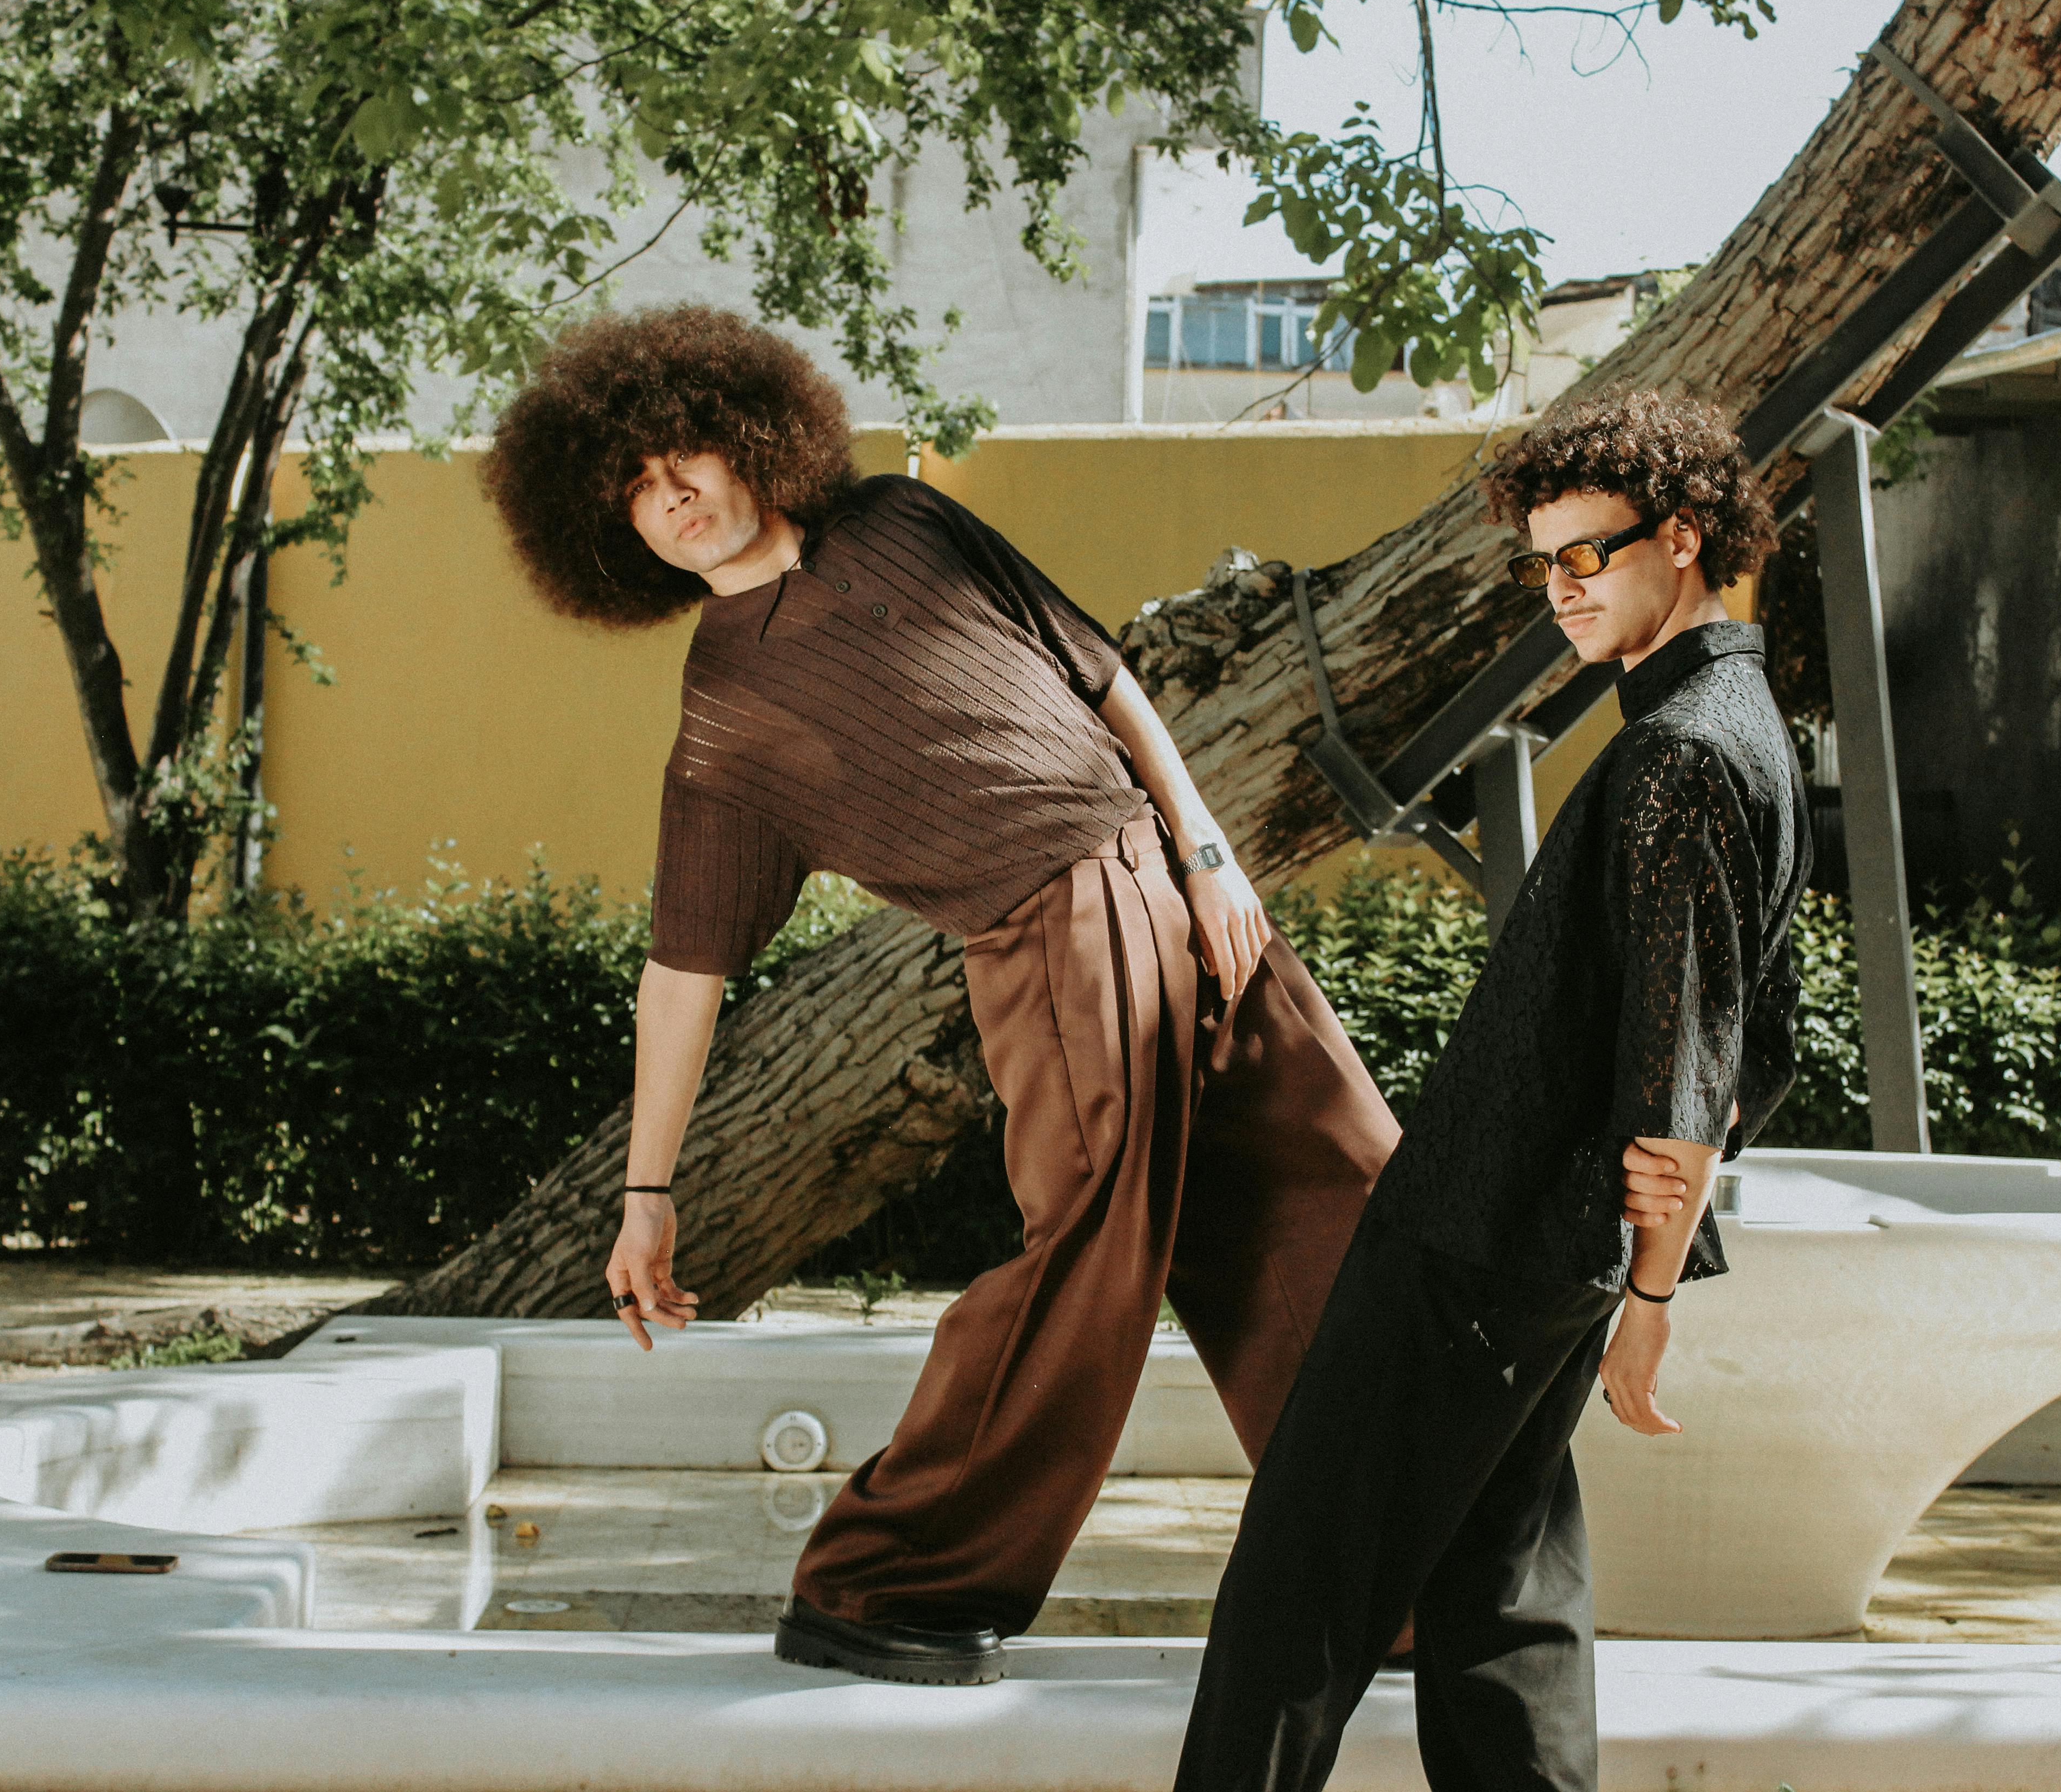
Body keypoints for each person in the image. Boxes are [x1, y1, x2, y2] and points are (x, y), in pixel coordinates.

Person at [480, 304, 1401, 1687]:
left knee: (1339, 1193)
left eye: (678, 459)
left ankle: (1403, 1571)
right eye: (632, 496)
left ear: (743, 437)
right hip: (1046, 946)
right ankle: (887, 1580)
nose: (666, 499)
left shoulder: (908, 520)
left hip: (1176, 885)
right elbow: (683, 971)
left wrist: (1210, 853)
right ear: (612, 541)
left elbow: (1106, 679)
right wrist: (645, 1194)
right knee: (1093, 1249)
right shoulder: (728, 716)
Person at [1172, 387, 1811, 1792]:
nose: (1562, 591)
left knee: (1299, 1595)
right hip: (1534, 1250)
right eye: (1545, 564)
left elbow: (1688, 1059)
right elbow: (1768, 1036)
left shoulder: (1688, 755)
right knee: (1498, 1607)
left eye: (1588, 556)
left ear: (1684, 539)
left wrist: (1646, 1302)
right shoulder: (1741, 728)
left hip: (1479, 1244)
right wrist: (1612, 1268)